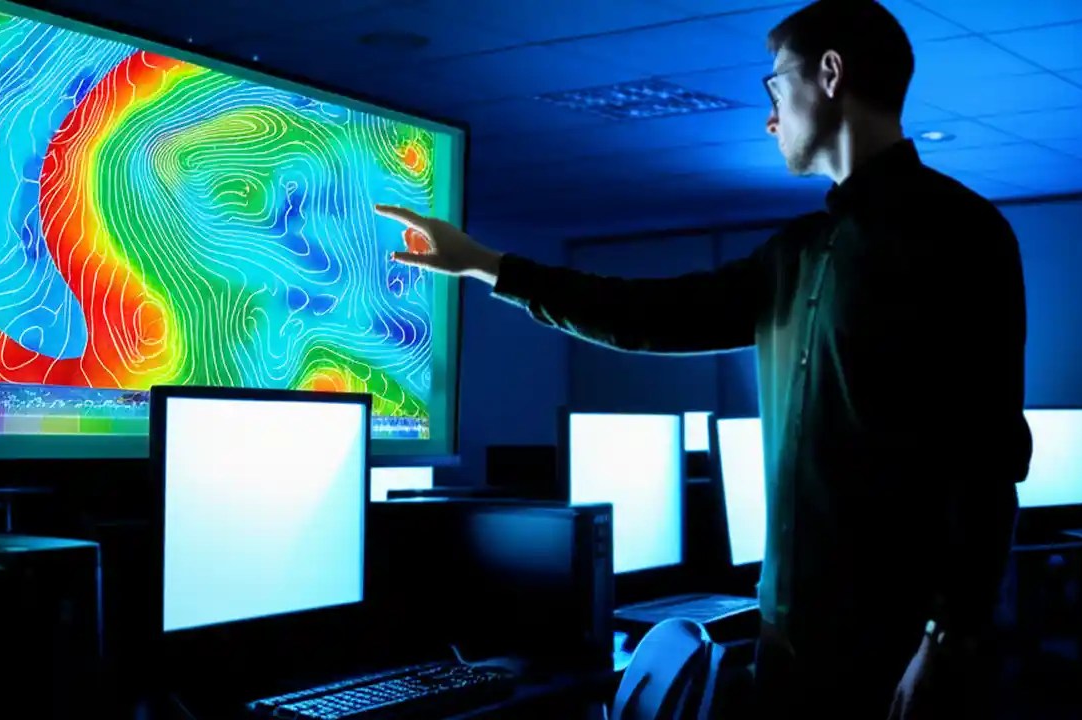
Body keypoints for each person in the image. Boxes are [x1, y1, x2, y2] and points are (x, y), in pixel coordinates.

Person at [375, 0, 1031, 717]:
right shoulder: (797, 254)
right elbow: (645, 315)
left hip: (900, 653)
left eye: (775, 87)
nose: (771, 117)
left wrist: (948, 638)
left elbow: (987, 460)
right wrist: (485, 266)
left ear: (831, 75)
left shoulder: (963, 237)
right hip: (789, 645)